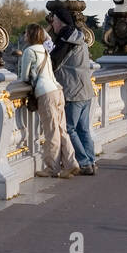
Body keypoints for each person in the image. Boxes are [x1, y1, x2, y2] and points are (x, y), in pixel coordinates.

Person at [20, 24, 80, 177]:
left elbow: (24, 77)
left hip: (46, 93)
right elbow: (48, 38)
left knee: (51, 131)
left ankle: (52, 168)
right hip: (58, 91)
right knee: (61, 130)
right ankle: (71, 163)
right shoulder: (46, 48)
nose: (24, 35)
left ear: (30, 35)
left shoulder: (29, 51)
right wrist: (43, 30)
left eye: (26, 33)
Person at [48, 2, 98, 175]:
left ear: (60, 22)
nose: (52, 24)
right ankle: (91, 161)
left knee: (69, 128)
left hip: (73, 92)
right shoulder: (79, 38)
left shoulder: (66, 41)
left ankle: (84, 162)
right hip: (86, 90)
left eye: (53, 21)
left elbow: (52, 63)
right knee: (83, 129)